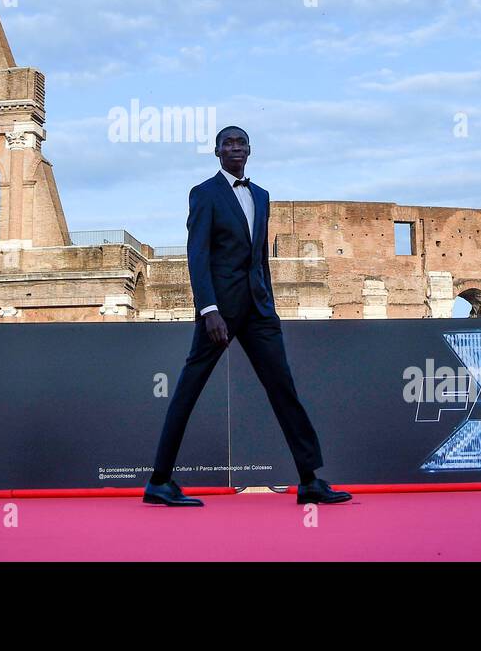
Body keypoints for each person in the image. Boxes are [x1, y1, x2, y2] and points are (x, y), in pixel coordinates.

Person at [143, 125, 351, 507]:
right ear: (217, 152)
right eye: (228, 143)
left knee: (284, 390)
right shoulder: (204, 194)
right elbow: (198, 256)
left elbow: (259, 258)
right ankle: (159, 481)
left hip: (258, 311)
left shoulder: (262, 196)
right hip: (218, 313)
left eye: (241, 143)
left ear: (250, 150)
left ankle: (309, 480)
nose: (235, 148)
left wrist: (268, 302)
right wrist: (208, 310)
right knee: (189, 390)